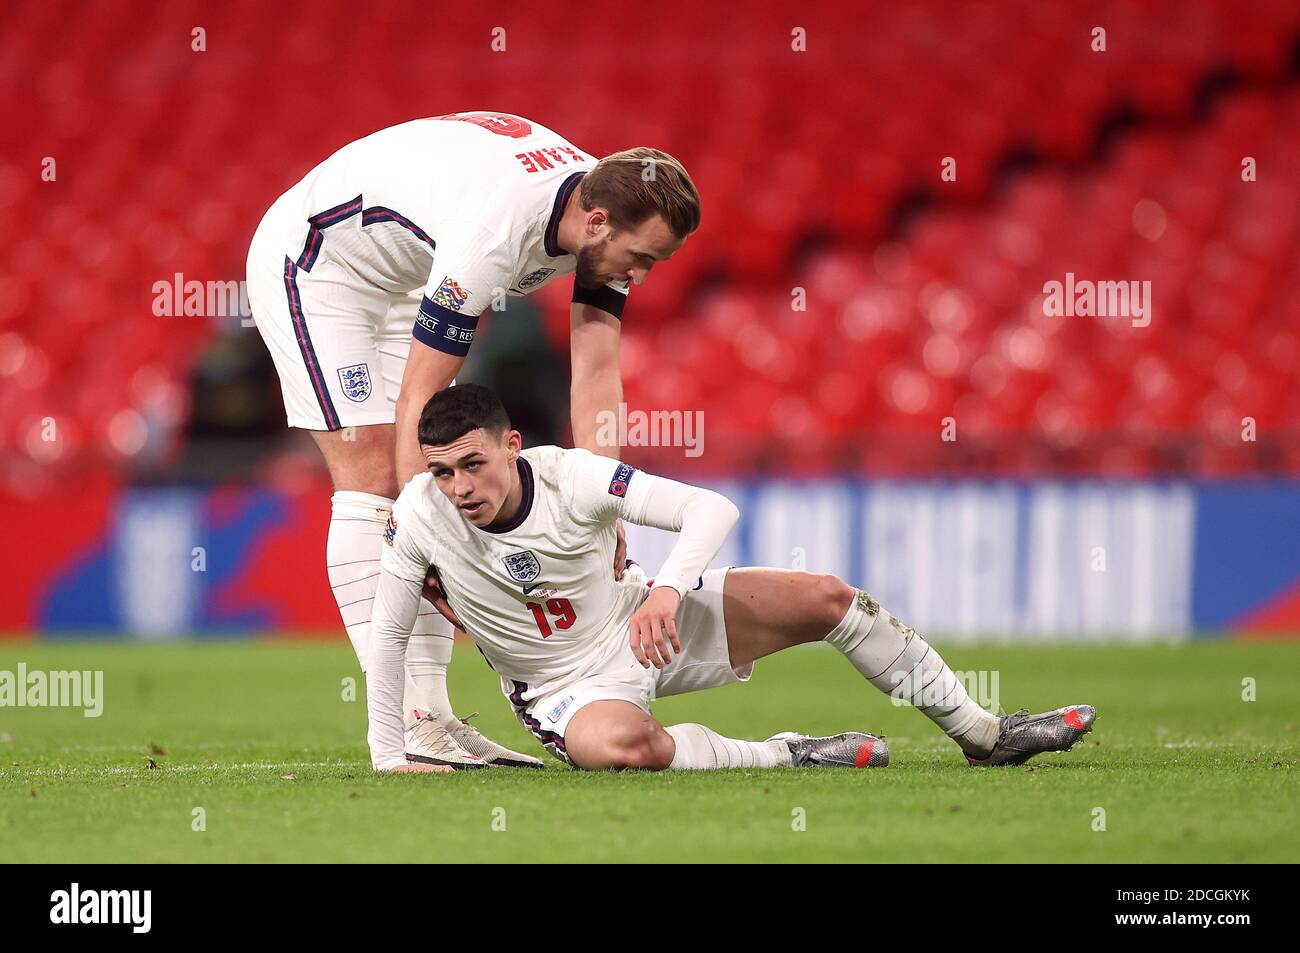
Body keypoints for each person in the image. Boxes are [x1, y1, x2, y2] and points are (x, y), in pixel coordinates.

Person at [245, 113, 700, 767]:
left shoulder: (612, 204)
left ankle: (434, 720)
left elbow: (596, 367)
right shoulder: (496, 233)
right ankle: (408, 722)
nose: (644, 272)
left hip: (402, 268)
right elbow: (420, 403)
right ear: (596, 224)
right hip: (319, 266)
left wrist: (603, 504)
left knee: (415, 488)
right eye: (642, 258)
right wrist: (424, 534)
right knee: (376, 477)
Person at [365, 384, 1096, 773]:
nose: (458, 486)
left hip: (645, 623)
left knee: (829, 597)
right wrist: (388, 755)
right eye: (442, 471)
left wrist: (665, 590)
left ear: (512, 445)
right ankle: (789, 752)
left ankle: (982, 733)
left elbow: (710, 507)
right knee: (629, 749)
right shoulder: (421, 514)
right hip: (562, 688)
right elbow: (389, 630)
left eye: (472, 463)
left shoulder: (571, 476)